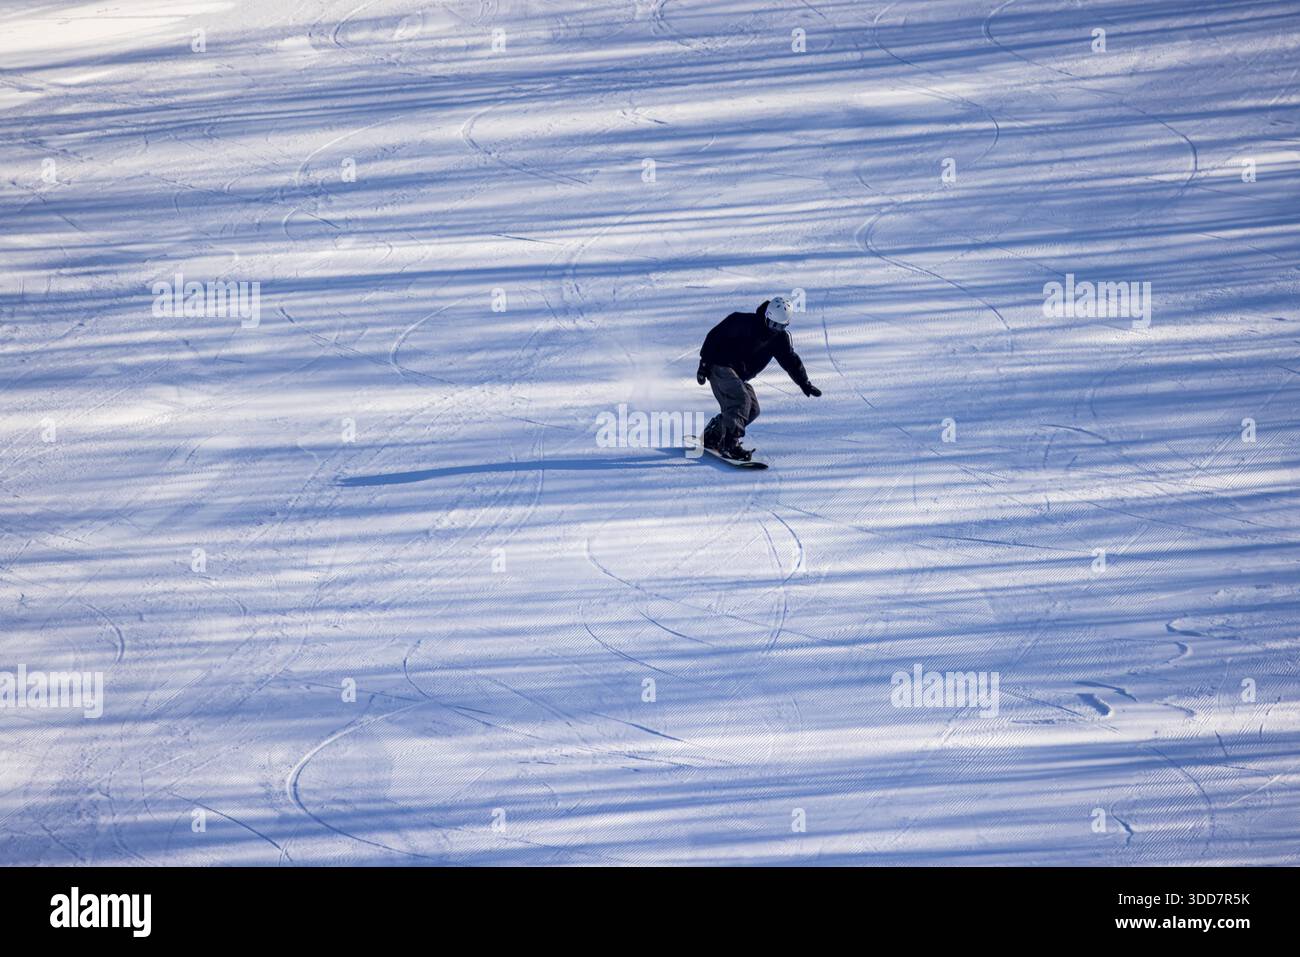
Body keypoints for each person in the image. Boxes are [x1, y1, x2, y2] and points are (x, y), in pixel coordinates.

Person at [696, 296, 821, 460]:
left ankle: (714, 434)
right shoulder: (743, 321)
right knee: (741, 400)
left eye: (779, 326)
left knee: (753, 409)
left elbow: (790, 360)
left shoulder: (779, 339)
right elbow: (714, 336)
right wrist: (704, 364)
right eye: (772, 323)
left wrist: (804, 383)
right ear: (766, 315)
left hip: (737, 376)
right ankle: (730, 444)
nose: (773, 329)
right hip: (719, 366)